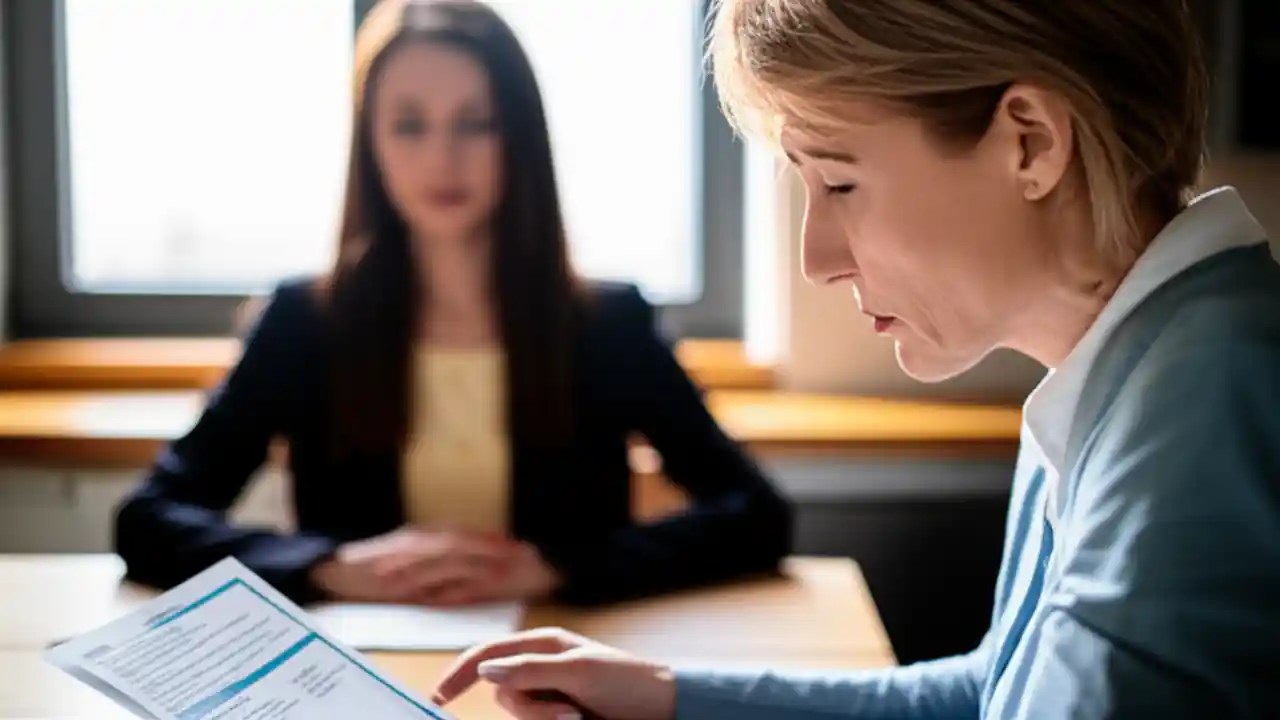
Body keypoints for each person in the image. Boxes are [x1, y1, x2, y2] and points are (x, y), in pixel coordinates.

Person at [432, 0, 1280, 717]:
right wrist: (664, 693)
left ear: (1030, 143)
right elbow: (997, 690)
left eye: (838, 184)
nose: (815, 256)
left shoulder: (1203, 419)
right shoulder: (1129, 367)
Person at [113, 0, 792, 610]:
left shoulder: (604, 325)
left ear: (519, 138)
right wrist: (330, 565)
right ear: (369, 144)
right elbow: (147, 517)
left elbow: (756, 514)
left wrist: (553, 567)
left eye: (477, 124)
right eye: (409, 126)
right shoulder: (305, 322)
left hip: (558, 665)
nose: (443, 157)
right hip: (359, 671)